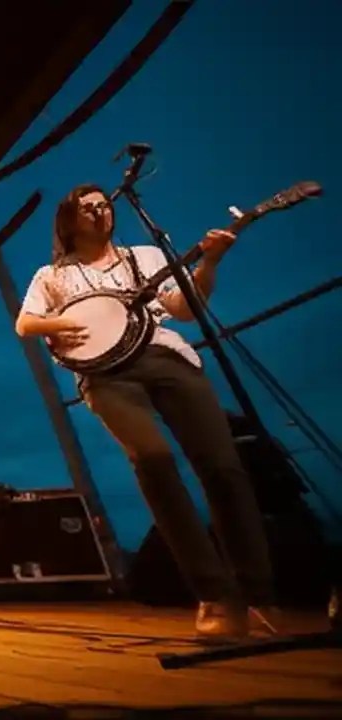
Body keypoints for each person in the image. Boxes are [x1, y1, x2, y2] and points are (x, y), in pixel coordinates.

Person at [15, 183, 276, 639]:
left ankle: (256, 593)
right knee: (154, 461)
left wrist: (209, 263)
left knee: (222, 467)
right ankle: (213, 594)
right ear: (69, 220)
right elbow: (26, 323)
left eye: (104, 205)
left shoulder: (146, 257)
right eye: (88, 208)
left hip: (164, 356)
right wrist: (61, 324)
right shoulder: (52, 276)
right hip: (104, 375)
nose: (100, 212)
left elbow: (185, 310)